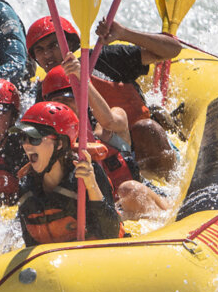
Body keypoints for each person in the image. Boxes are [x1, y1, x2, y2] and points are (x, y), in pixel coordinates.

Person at [26, 14, 183, 176]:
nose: (47, 55)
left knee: (146, 128)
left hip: (139, 144)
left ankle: (169, 182)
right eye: (40, 50)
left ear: (71, 44)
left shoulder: (104, 59)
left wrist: (124, 33)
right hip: (101, 161)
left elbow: (173, 49)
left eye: (54, 45)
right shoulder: (44, 93)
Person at [40, 67, 173, 219]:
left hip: (137, 200)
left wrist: (83, 80)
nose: (65, 107)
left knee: (130, 189)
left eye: (71, 99)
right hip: (102, 213)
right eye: (58, 102)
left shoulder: (109, 124)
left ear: (85, 98)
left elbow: (109, 120)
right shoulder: (47, 143)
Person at [10, 101, 122, 246]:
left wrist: (92, 186)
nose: (26, 144)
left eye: (34, 138)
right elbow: (30, 245)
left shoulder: (85, 176)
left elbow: (110, 234)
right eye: (23, 138)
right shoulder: (26, 187)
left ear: (60, 144)